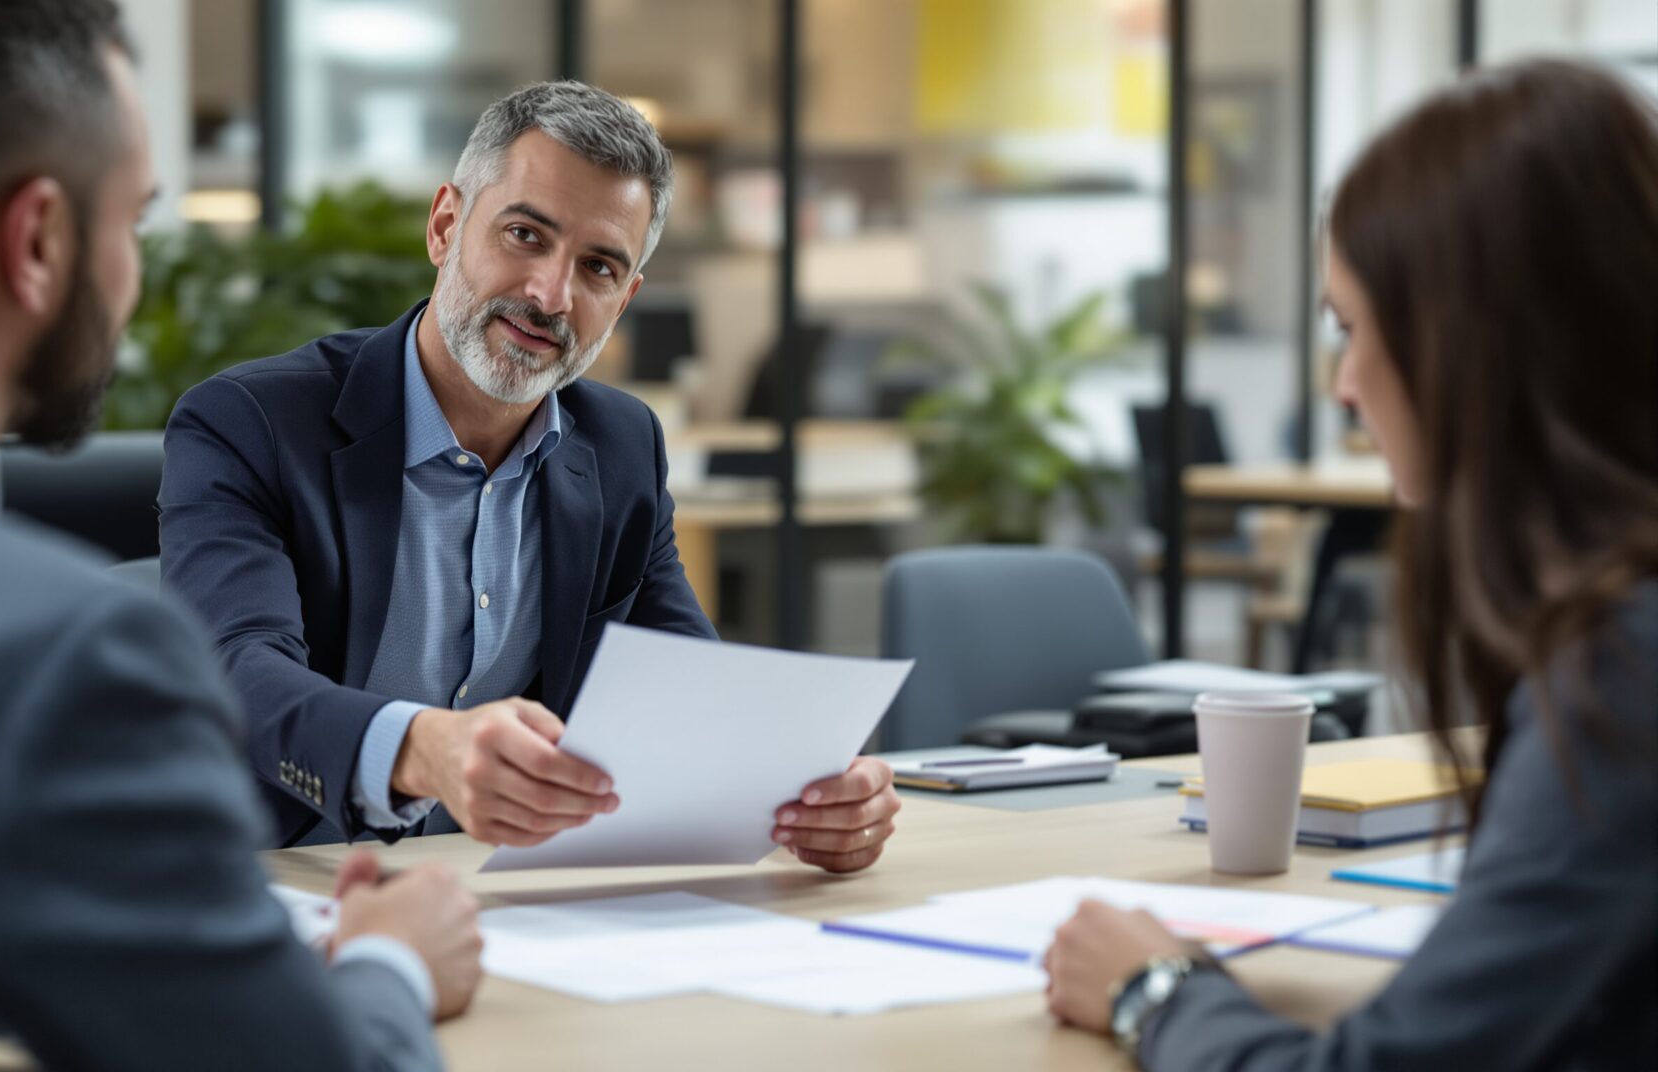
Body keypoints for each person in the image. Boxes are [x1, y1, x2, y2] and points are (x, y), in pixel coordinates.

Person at [0, 2, 479, 1068]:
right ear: (37, 241)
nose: (133, 271)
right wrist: (392, 962)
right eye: (132, 220)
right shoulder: (49, 660)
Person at [1043, 60, 1658, 1069]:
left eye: (1354, 327)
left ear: (1483, 339)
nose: (1344, 384)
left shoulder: (1623, 675)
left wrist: (1150, 991)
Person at [159, 81, 902, 870]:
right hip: (275, 884)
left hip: (501, 899)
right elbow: (237, 674)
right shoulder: (251, 424)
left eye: (600, 267)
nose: (551, 294)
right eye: (524, 234)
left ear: (626, 299)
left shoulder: (621, 446)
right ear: (446, 225)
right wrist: (422, 748)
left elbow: (688, 685)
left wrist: (810, 792)